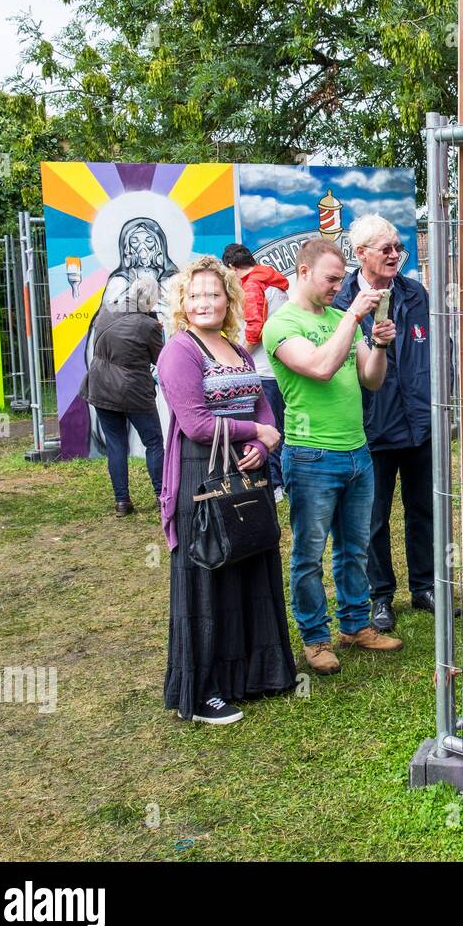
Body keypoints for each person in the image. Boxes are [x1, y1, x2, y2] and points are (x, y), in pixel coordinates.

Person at [156, 255, 295, 725]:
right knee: (209, 577)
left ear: (229, 298)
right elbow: (195, 424)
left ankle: (254, 676)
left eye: (214, 293)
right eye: (195, 295)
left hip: (244, 473)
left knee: (249, 564)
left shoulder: (235, 347)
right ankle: (203, 693)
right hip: (201, 472)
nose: (205, 302)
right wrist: (253, 433)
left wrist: (261, 437)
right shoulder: (179, 350)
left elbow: (261, 404)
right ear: (182, 301)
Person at [263, 237, 402, 675]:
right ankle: (315, 638)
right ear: (303, 273)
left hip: (357, 451)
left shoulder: (342, 317)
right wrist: (357, 316)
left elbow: (372, 380)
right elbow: (321, 367)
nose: (337, 287)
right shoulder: (281, 324)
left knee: (354, 548)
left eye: (342, 279)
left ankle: (356, 623)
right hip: (310, 456)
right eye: (331, 279)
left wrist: (378, 345)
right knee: (308, 553)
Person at [331, 215, 434, 633]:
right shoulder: (341, 304)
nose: (395, 255)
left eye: (398, 248)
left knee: (424, 509)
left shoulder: (416, 292)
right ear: (361, 255)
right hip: (371, 429)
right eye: (386, 249)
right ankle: (380, 597)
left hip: (419, 425)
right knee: (373, 519)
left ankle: (425, 586)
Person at [78, 274, 166, 515]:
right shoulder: (148, 326)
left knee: (116, 444)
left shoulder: (106, 312)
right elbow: (161, 359)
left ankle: (121, 501)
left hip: (101, 386)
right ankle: (161, 497)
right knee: (154, 442)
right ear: (151, 300)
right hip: (134, 391)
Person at [223, 243, 290, 501]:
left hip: (263, 370)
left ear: (231, 267)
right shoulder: (272, 282)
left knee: (267, 429)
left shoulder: (252, 285)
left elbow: (254, 330)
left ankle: (274, 485)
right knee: (281, 428)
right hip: (280, 368)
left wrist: (237, 359)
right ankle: (283, 481)